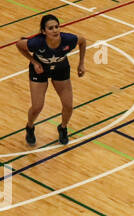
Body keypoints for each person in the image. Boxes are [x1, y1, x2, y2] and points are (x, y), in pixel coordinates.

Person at [16, 14, 86, 147]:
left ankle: (63, 127)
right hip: (40, 70)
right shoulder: (36, 42)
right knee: (37, 106)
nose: (55, 30)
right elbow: (19, 44)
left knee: (68, 105)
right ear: (43, 31)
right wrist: (34, 62)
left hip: (60, 69)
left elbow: (82, 41)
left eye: (57, 27)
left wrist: (81, 63)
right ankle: (30, 127)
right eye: (50, 28)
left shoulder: (68, 39)